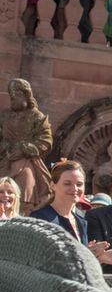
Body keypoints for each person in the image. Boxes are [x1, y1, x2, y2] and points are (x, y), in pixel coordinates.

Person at [31, 160, 112, 266]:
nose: (74, 189)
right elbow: (39, 261)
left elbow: (80, 264)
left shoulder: (82, 218)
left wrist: (100, 258)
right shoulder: (40, 219)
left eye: (79, 184)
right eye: (67, 183)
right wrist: (83, 254)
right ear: (53, 185)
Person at [0, 79, 53, 215]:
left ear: (26, 95)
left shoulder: (37, 117)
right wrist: (6, 146)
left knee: (26, 186)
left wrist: (24, 148)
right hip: (5, 159)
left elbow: (45, 141)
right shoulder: (4, 116)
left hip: (27, 162)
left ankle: (23, 214)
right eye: (11, 96)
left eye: (16, 95)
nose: (13, 99)